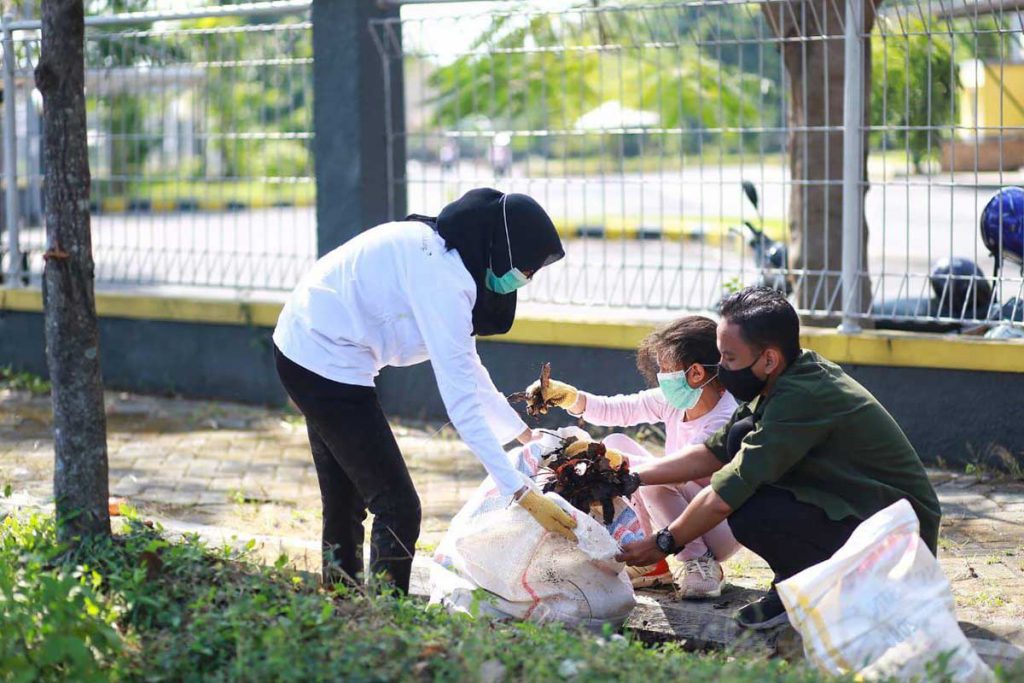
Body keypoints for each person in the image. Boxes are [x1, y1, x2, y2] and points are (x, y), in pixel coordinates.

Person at [273, 188, 576, 594]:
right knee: (397, 507)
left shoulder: (452, 259)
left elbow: (468, 368)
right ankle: (386, 620)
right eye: (526, 267)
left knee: (346, 499)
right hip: (322, 358)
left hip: (312, 346)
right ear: (499, 247)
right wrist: (519, 490)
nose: (526, 278)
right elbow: (462, 401)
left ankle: (341, 606)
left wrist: (528, 437)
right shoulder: (443, 280)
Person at [616, 287, 941, 629]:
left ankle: (802, 589)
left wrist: (665, 541)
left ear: (768, 359)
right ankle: (804, 580)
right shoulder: (784, 377)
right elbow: (714, 451)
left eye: (729, 358)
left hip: (901, 540)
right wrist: (632, 476)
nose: (721, 368)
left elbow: (725, 493)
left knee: (749, 508)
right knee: (741, 435)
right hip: (867, 512)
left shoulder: (800, 397)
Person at [526, 316, 740, 597]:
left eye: (666, 370)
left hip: (720, 525)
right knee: (616, 442)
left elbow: (682, 468)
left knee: (650, 477)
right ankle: (654, 565)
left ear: (696, 373)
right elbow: (619, 410)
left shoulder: (725, 418)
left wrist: (610, 461)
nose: (661, 377)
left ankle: (698, 563)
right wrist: (571, 398)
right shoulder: (676, 402)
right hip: (683, 513)